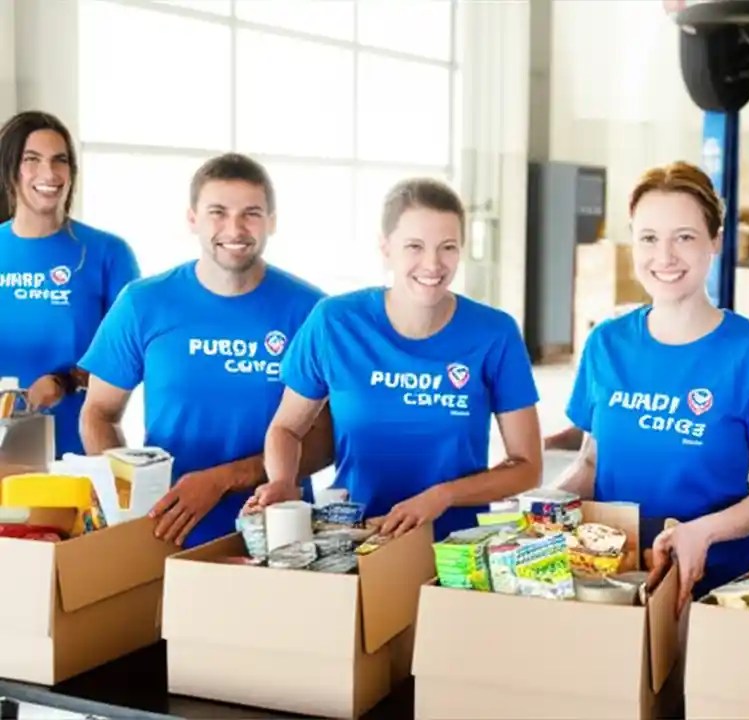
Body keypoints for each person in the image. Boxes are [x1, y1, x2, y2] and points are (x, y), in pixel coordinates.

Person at [557, 161, 749, 608]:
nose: (664, 256)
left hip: (717, 588)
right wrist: (539, 507)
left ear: (716, 241)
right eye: (649, 238)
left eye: (685, 237)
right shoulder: (606, 343)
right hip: (613, 582)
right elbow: (592, 465)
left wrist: (703, 532)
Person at [249, 178, 542, 541]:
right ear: (386, 248)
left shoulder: (495, 334)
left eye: (447, 247)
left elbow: (528, 467)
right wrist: (281, 481)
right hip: (354, 539)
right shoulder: (335, 322)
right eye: (414, 246)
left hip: (454, 549)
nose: (433, 264)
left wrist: (443, 496)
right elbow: (286, 429)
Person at [78, 153, 332, 548]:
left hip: (278, 536)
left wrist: (222, 480)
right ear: (192, 218)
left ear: (272, 221)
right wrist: (126, 498)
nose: (235, 228)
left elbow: (326, 439)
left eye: (251, 213)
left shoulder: (312, 311)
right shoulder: (143, 303)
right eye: (218, 212)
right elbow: (98, 413)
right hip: (169, 532)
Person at [0, 111, 139, 458]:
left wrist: (65, 380)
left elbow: (130, 358)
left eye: (59, 161)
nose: (49, 174)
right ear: (9, 167)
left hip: (80, 457)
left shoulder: (108, 254)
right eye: (32, 160)